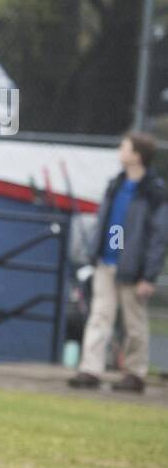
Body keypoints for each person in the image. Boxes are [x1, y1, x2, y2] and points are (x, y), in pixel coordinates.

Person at [69, 132, 168, 393]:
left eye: (124, 147)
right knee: (99, 316)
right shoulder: (116, 184)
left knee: (134, 323)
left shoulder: (153, 192)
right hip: (107, 262)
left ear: (136, 156)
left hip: (134, 269)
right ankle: (90, 369)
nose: (120, 151)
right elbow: (111, 225)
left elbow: (158, 236)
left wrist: (148, 275)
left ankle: (134, 373)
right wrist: (99, 252)